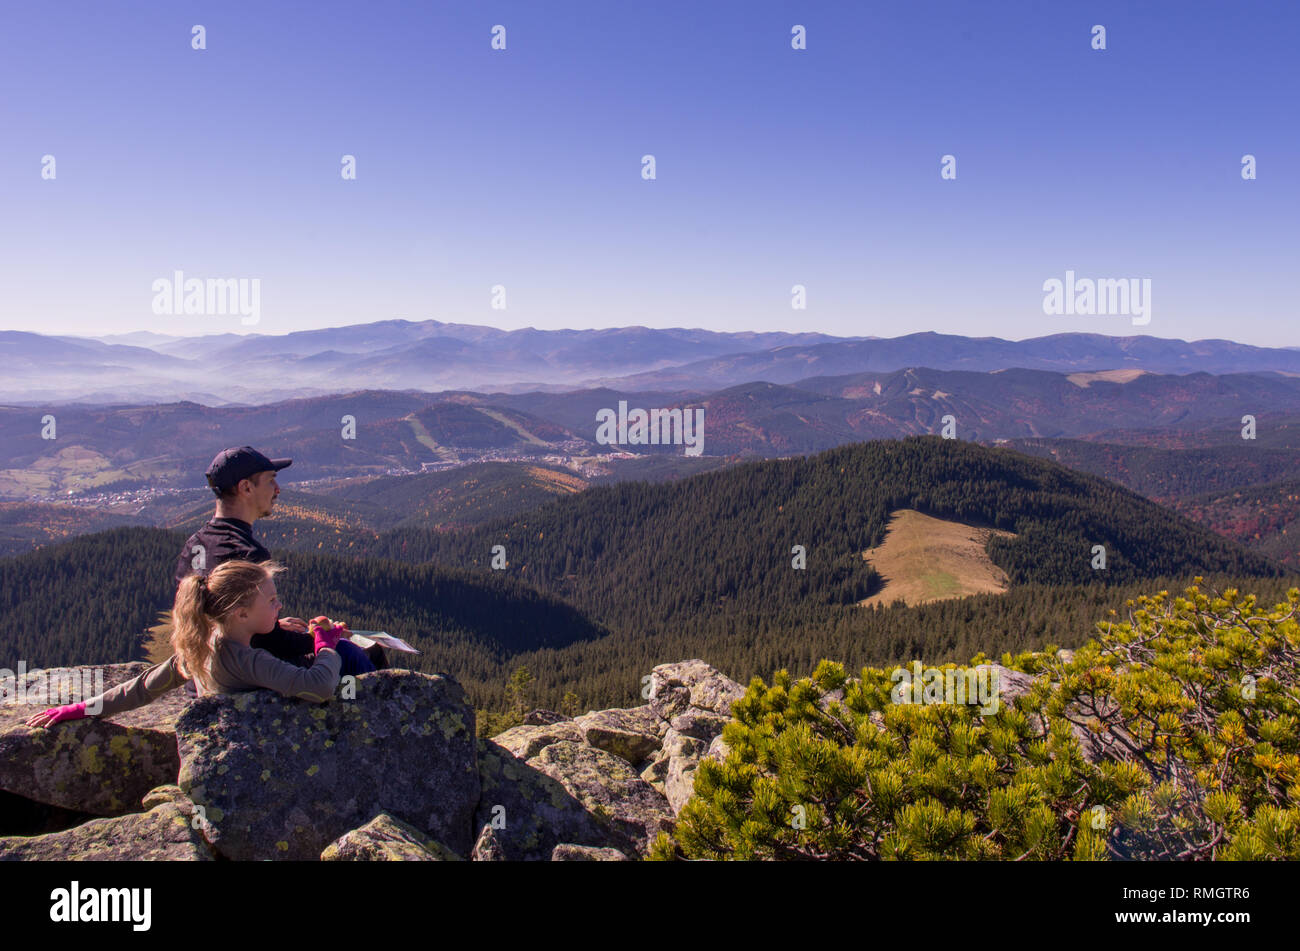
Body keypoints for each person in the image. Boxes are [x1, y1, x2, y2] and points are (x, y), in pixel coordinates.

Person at [25, 560, 368, 728]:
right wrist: (326, 643)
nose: (279, 607)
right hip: (262, 740)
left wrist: (81, 708)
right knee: (352, 657)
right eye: (272, 601)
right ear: (241, 614)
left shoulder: (204, 646)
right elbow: (319, 686)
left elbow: (144, 687)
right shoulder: (246, 660)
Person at [173, 445, 388, 671]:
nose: (277, 490)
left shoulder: (195, 544)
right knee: (360, 652)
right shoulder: (248, 554)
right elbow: (271, 645)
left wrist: (273, 626)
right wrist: (326, 638)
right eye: (270, 481)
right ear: (246, 487)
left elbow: (228, 623)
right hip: (250, 674)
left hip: (206, 671)